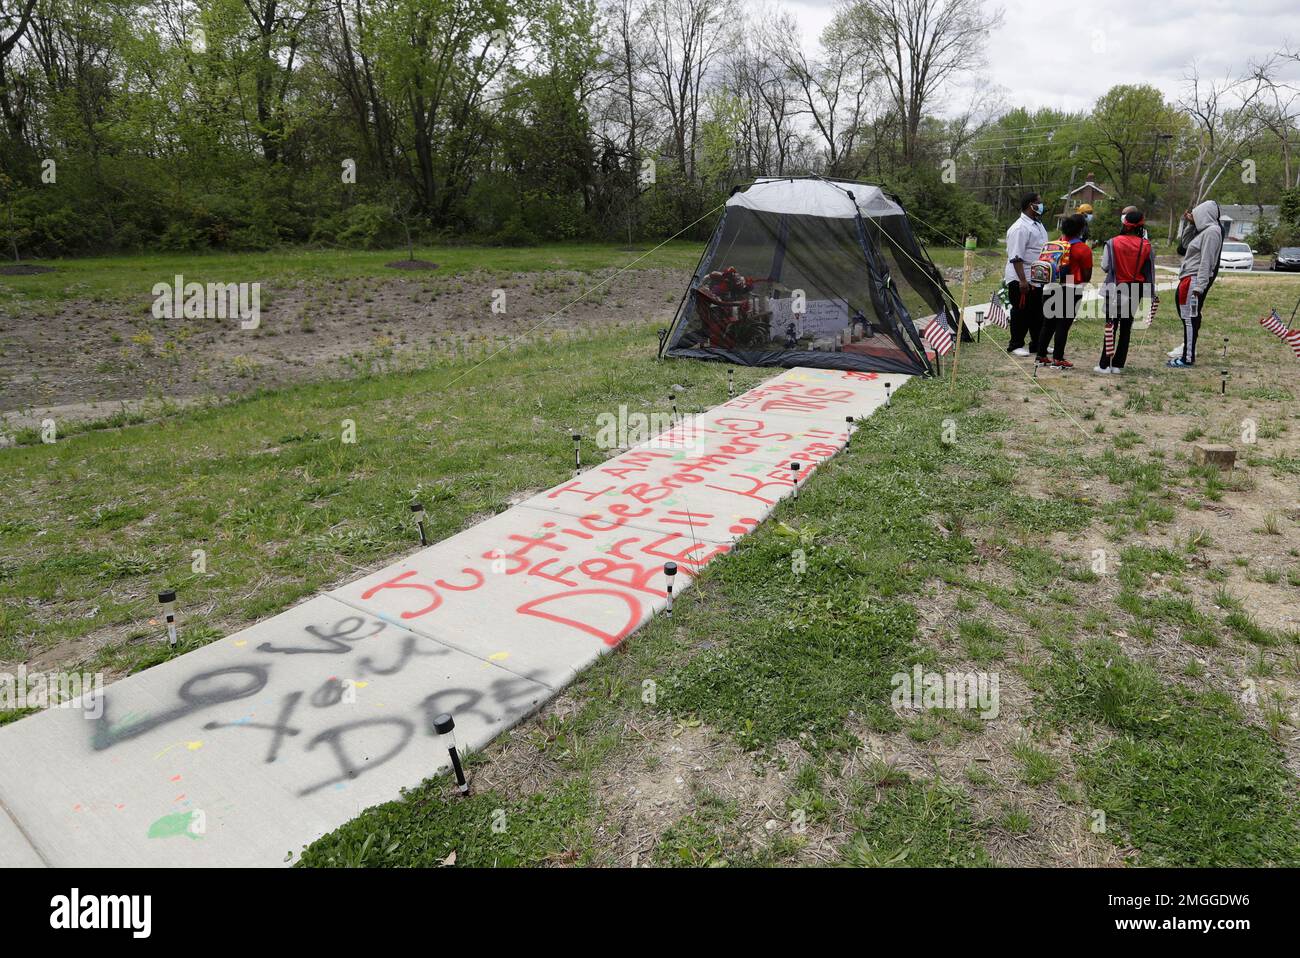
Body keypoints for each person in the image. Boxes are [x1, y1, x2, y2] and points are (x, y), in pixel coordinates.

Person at [1095, 208, 1155, 374]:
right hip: (1135, 287)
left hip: (1115, 286)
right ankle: (1118, 364)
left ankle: (1104, 364)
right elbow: (1149, 271)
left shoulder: (1113, 242)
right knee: (1126, 327)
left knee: (1111, 325)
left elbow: (1105, 266)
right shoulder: (1146, 245)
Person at [1168, 200, 1224, 368]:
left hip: (1193, 280)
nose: (1195, 217)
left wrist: (1200, 286)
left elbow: (1207, 261)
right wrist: (1190, 224)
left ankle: (1188, 357)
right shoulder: (1203, 232)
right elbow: (1184, 245)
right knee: (1187, 318)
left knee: (1189, 319)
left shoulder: (1212, 232)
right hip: (1188, 278)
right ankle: (1187, 353)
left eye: (1197, 215)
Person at [1036, 213, 1092, 368]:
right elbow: (1087, 275)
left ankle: (1040, 356)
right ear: (1081, 229)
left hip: (1050, 286)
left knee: (1048, 324)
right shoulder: (1083, 249)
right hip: (1071, 288)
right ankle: (1058, 359)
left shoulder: (1052, 245)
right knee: (1063, 325)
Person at [1004, 192, 1049, 357]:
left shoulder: (1037, 224)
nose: (1041, 205)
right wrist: (1023, 280)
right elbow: (1016, 256)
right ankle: (1016, 344)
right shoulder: (1020, 228)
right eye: (1038, 202)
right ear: (1030, 205)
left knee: (1037, 312)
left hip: (1037, 276)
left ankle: (1037, 344)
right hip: (1021, 277)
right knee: (1021, 311)